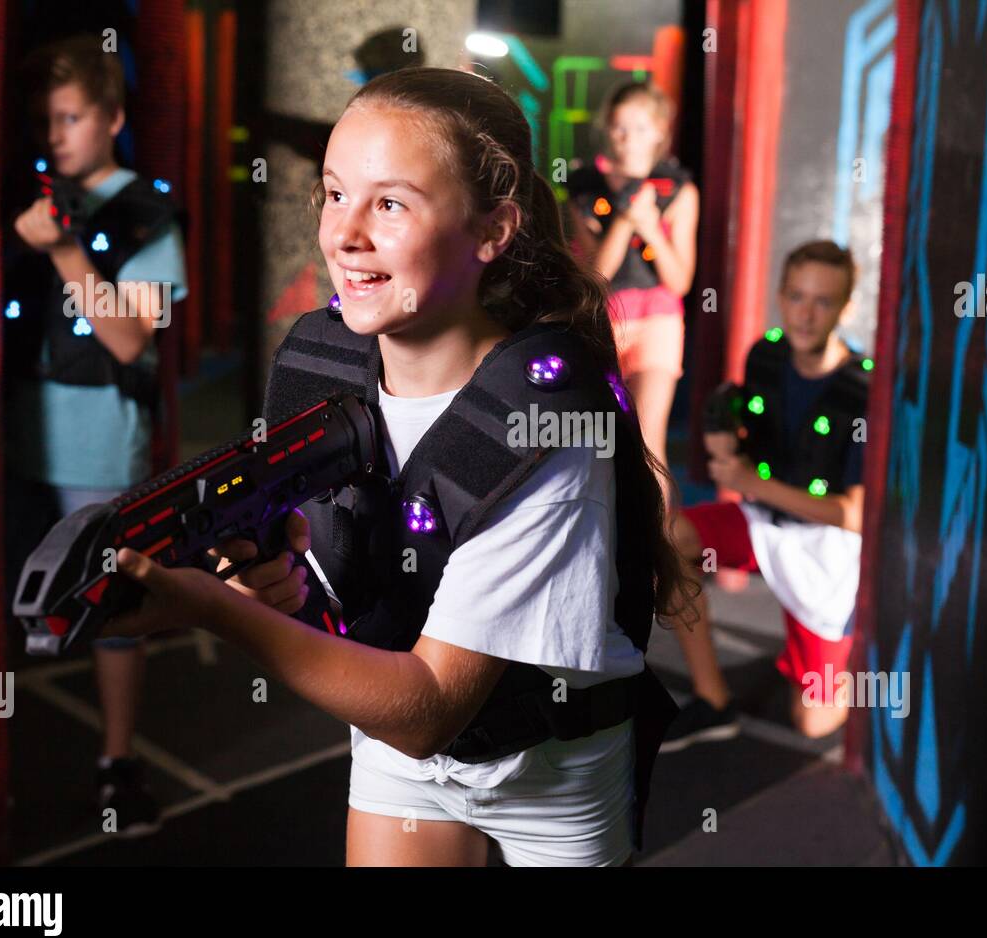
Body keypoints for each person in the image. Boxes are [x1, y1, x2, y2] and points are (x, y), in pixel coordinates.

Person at [100, 66, 694, 867]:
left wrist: (209, 608)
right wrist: (280, 590)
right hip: (399, 740)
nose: (344, 235)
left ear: (493, 231)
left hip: (549, 761)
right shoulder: (319, 364)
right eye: (336, 193)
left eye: (391, 204)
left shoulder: (543, 421)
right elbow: (347, 597)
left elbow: (431, 707)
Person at [2, 35, 187, 835]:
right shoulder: (30, 203)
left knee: (108, 608)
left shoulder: (148, 211)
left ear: (111, 117)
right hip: (16, 436)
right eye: (44, 120)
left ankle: (118, 763)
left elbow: (131, 340)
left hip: (98, 442)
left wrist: (66, 251)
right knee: (14, 609)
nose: (54, 135)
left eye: (70, 118)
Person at [660, 241, 869, 749]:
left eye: (823, 301)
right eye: (797, 296)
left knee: (813, 722)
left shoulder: (862, 388)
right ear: (780, 296)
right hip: (762, 521)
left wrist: (754, 483)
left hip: (828, 550)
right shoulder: (767, 354)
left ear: (846, 308)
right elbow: (753, 433)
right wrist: (726, 438)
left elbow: (855, 514)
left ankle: (864, 659)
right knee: (669, 538)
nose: (807, 313)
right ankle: (713, 700)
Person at [565, 82, 698, 498]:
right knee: (597, 437)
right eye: (620, 128)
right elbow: (595, 275)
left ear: (659, 130)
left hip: (657, 319)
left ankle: (658, 549)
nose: (629, 139)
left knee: (647, 439)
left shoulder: (679, 191)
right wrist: (624, 220)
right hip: (604, 317)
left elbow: (680, 281)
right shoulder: (585, 188)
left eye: (640, 128)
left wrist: (648, 227)